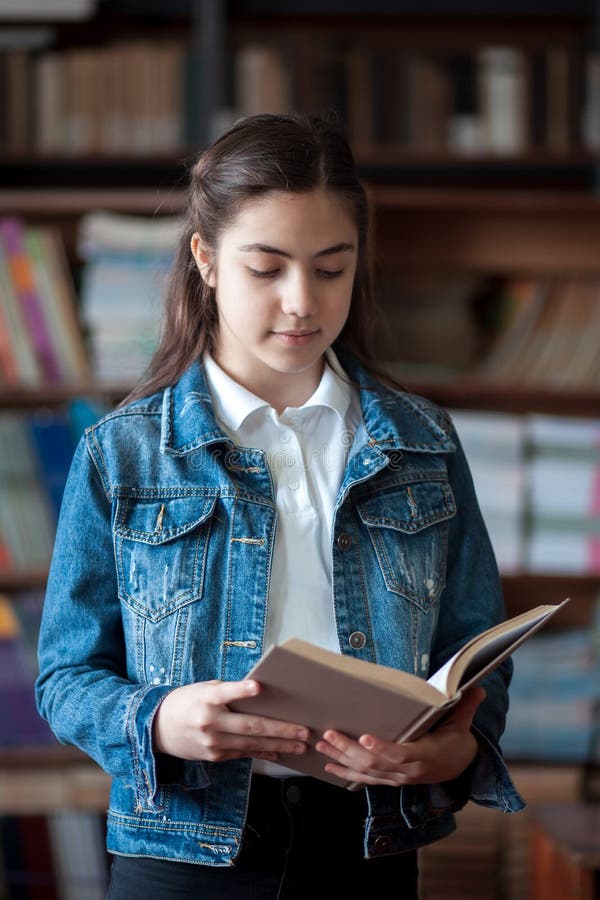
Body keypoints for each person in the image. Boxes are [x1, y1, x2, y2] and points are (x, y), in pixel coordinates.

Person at [36, 112, 525, 900]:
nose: (302, 302)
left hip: (369, 845)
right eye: (267, 269)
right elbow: (65, 677)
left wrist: (457, 754)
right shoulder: (122, 452)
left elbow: (475, 657)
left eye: (331, 269)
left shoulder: (422, 441)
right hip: (183, 855)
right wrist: (160, 722)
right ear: (206, 259)